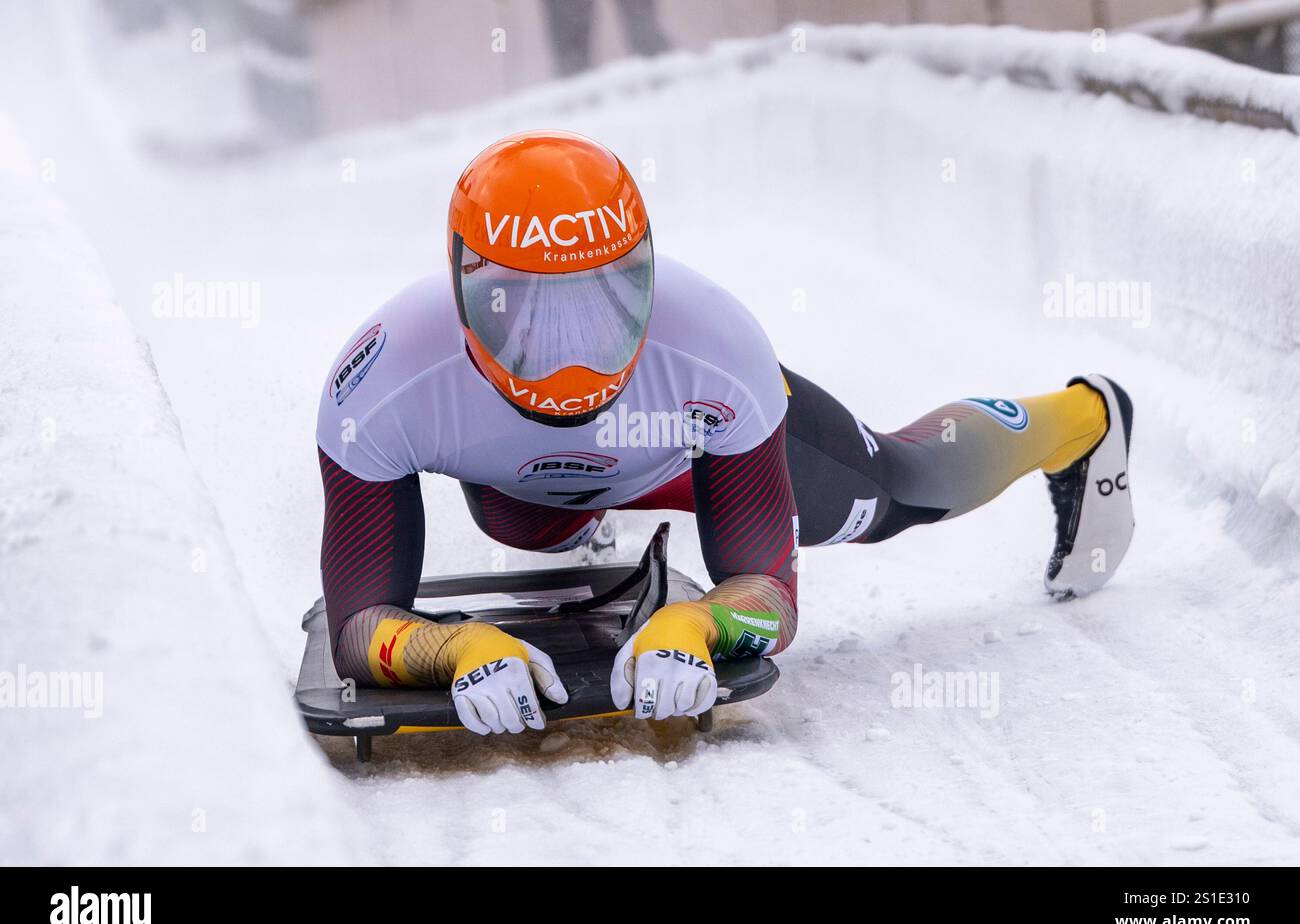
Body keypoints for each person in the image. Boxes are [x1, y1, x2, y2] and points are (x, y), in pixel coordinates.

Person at [315, 130, 1135, 735]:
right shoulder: (382, 382)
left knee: (901, 487)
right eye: (527, 312)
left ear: (647, 273)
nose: (569, 356)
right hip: (536, 484)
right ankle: (576, 511)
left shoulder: (713, 347)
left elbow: (771, 597)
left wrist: (701, 622)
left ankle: (1087, 417)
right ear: (465, 289)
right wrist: (448, 652)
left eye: (604, 300)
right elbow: (359, 625)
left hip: (680, 448)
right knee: (523, 523)